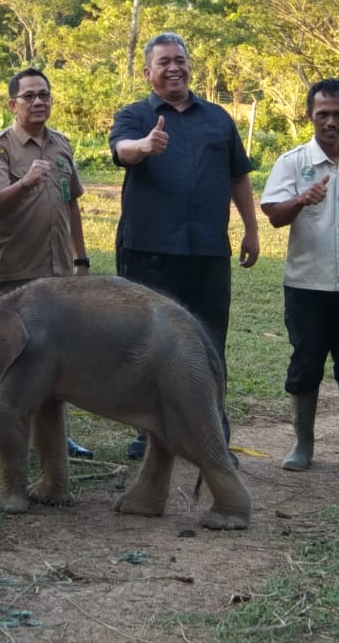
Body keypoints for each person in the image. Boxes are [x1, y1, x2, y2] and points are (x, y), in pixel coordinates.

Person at [109, 33, 260, 458]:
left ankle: (213, 436)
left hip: (208, 249)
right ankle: (152, 435)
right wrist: (145, 145)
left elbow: (238, 176)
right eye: (164, 62)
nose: (174, 67)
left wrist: (251, 228)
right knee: (149, 343)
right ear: (147, 72)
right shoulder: (135, 115)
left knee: (210, 341)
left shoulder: (218, 118)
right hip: (148, 249)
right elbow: (122, 150)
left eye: (180, 60)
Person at [260, 79, 339, 476]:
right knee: (305, 364)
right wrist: (300, 199)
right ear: (309, 116)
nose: (330, 122)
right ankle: (303, 445)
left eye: (338, 114)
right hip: (306, 286)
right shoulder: (292, 163)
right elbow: (274, 216)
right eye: (322, 114)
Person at [0, 67, 93, 459]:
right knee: (7, 356)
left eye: (44, 94)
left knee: (57, 357)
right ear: (13, 104)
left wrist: (80, 259)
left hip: (58, 271)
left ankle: (55, 437)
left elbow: (71, 202)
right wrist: (25, 182)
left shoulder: (62, 145)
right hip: (14, 270)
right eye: (28, 96)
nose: (38, 101)